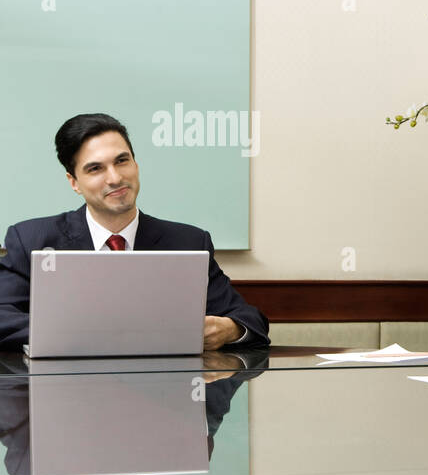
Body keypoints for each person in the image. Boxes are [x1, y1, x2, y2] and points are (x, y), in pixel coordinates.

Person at [0, 113, 269, 352]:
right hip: (62, 394)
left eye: (122, 161)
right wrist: (92, 334)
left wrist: (230, 329)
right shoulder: (32, 239)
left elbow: (249, 320)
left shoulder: (188, 242)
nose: (115, 178)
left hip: (163, 396)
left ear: (136, 165)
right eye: (95, 168)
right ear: (74, 182)